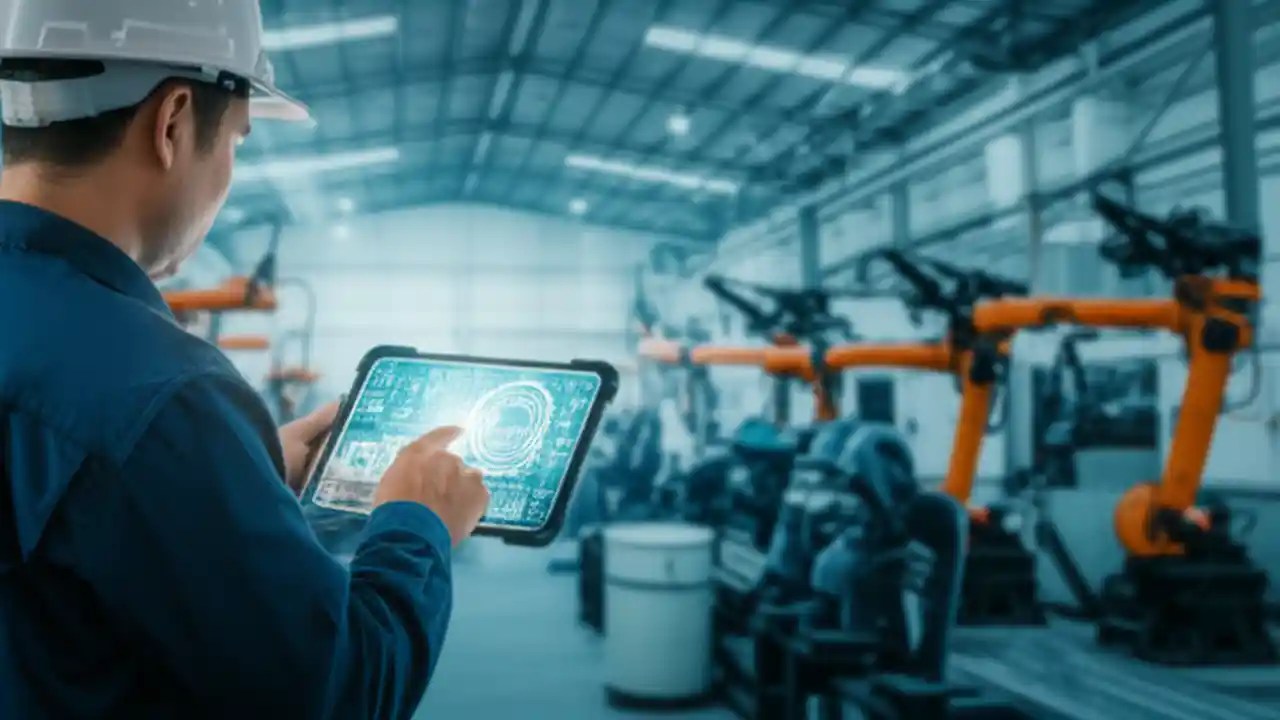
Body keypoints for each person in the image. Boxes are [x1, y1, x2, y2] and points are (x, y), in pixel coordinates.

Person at [0, 3, 490, 718]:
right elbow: (341, 692)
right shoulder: (164, 393)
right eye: (236, 139)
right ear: (171, 122)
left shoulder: (154, 411)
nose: (229, 171)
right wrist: (417, 523)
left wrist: (242, 469)